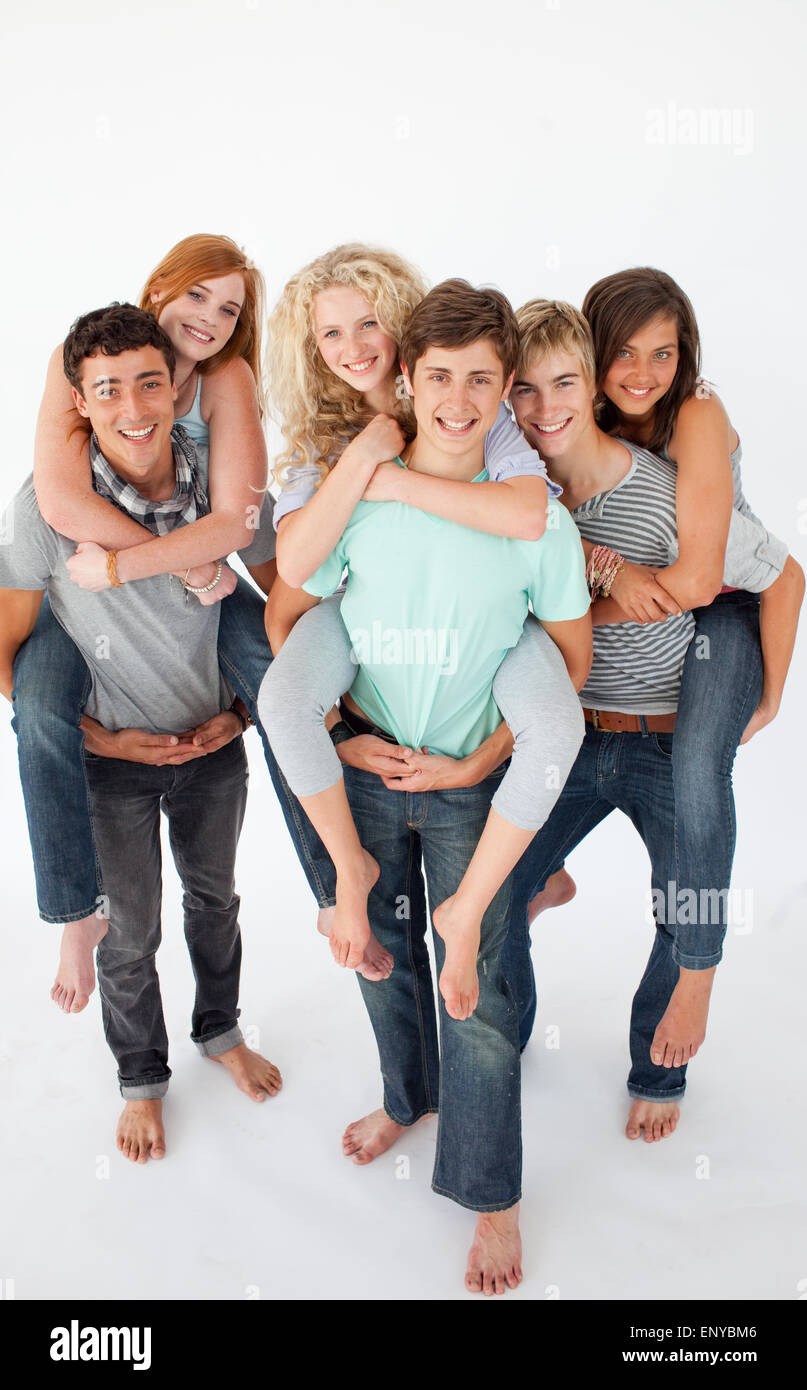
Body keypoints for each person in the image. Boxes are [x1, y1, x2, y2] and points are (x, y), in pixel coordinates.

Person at [265, 279, 591, 1294]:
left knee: (478, 994)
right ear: (405, 379)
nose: (457, 399)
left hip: (465, 784)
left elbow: (569, 660)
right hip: (371, 764)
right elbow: (289, 617)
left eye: (480, 381)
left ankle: (492, 1194)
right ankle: (407, 1095)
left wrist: (485, 756)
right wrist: (341, 733)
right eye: (438, 376)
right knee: (379, 960)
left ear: (504, 393)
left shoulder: (531, 521)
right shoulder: (354, 494)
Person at [504, 298, 802, 1142]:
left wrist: (771, 696)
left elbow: (779, 574)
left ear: (584, 384)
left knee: (683, 902)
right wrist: (598, 577)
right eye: (522, 392)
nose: (542, 407)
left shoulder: (672, 488)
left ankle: (658, 1063)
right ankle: (502, 1036)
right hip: (571, 735)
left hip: (668, 734)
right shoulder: (513, 492)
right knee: (492, 892)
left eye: (559, 384)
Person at [12, 234, 332, 1014]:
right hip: (83, 586)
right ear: (160, 290)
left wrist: (205, 572)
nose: (210, 318)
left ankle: (334, 884)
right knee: (42, 718)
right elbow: (61, 504)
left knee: (290, 686)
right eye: (197, 295)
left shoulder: (223, 377)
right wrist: (173, 564)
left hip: (193, 567)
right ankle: (74, 911)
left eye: (229, 308)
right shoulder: (89, 353)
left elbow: (236, 524)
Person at [259, 244, 584, 994]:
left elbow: (529, 515)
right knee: (281, 699)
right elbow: (297, 578)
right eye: (329, 335)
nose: (353, 349)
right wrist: (362, 463)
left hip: (482, 613)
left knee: (534, 705)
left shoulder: (477, 416)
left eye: (368, 323)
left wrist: (396, 484)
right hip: (361, 612)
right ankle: (345, 872)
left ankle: (478, 906)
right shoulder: (326, 442)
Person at [0, 305, 283, 1163]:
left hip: (211, 748)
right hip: (112, 765)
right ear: (80, 403)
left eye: (149, 382)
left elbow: (278, 620)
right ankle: (142, 1081)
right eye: (109, 389)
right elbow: (6, 647)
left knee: (217, 905)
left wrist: (241, 715)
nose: (134, 406)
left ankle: (221, 1031)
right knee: (129, 935)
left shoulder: (220, 491)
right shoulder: (47, 511)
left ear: (176, 387)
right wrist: (90, 736)